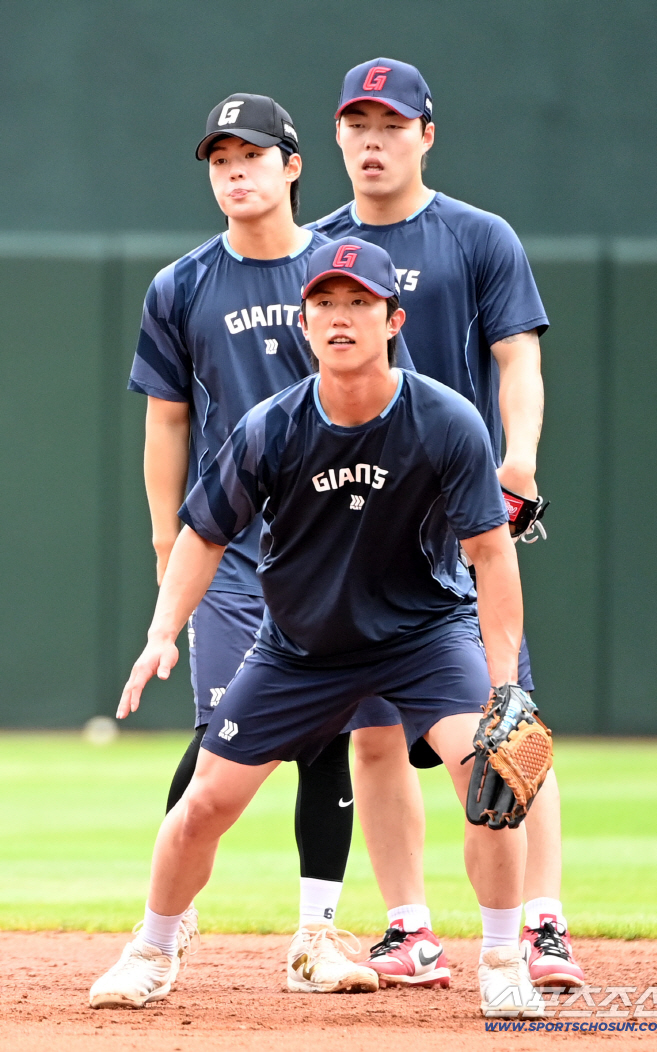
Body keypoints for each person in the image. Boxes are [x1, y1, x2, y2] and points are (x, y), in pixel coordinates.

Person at [90, 238, 545, 1019]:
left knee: (494, 777)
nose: (341, 318)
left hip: (425, 638)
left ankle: (504, 957)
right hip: (300, 648)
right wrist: (163, 630)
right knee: (202, 805)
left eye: (359, 303)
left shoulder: (446, 421)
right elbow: (202, 532)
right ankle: (152, 949)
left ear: (392, 319)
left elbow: (490, 554)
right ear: (303, 324)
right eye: (324, 305)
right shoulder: (273, 428)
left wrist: (503, 678)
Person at [306, 58, 585, 989]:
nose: (373, 139)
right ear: (338, 138)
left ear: (427, 134)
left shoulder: (477, 235)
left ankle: (542, 923)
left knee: (512, 723)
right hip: (357, 518)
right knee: (374, 729)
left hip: (456, 517)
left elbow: (517, 357)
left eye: (392, 123)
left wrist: (521, 455)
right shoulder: (320, 247)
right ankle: (409, 927)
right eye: (358, 123)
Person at [128, 92, 412, 991]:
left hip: (329, 544)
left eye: (252, 154)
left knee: (326, 732)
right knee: (223, 732)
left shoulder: (338, 278)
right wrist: (166, 541)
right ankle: (166, 926)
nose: (236, 171)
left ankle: (315, 937)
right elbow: (166, 424)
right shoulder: (181, 285)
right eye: (220, 159)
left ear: (293, 166)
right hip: (225, 545)